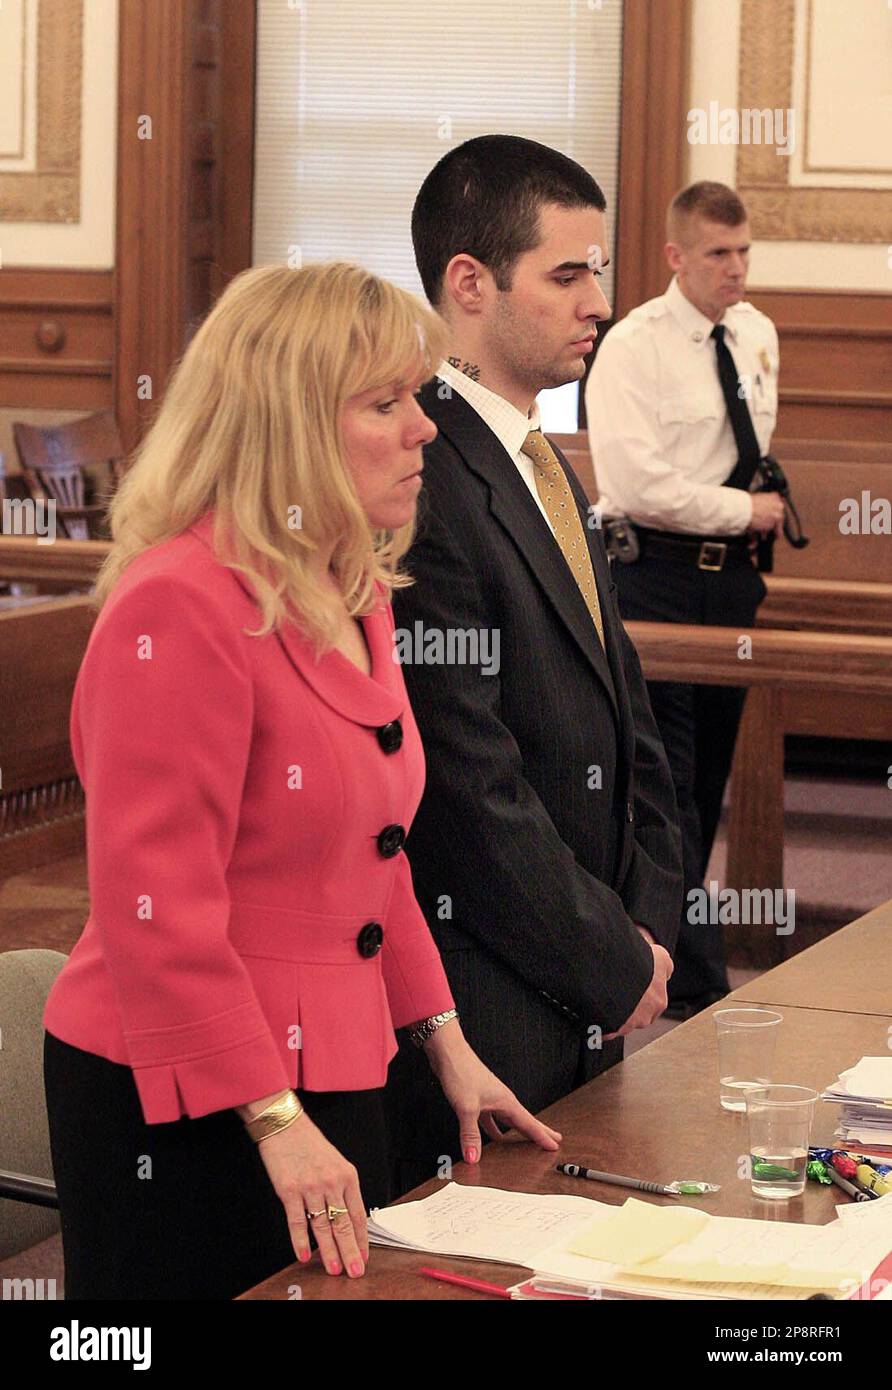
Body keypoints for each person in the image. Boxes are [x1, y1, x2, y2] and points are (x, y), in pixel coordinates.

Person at [41, 262, 561, 1301]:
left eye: (418, 396)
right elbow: (157, 919)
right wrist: (274, 1119)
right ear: (287, 426)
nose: (425, 428)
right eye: (385, 403)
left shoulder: (350, 582)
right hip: (186, 1091)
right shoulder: (178, 606)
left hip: (338, 1063)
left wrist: (445, 1044)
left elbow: (376, 855)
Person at [384, 135, 683, 1196]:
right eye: (567, 273)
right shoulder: (421, 468)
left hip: (584, 972)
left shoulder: (537, 451)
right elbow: (468, 782)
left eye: (597, 270)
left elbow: (626, 715)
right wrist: (609, 957)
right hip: (491, 983)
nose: (597, 300)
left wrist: (650, 923)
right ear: (470, 283)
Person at [585, 181, 785, 1019]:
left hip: (732, 578)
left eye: (743, 252)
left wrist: (745, 520)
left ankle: (676, 956)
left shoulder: (756, 333)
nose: (735, 269)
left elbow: (742, 450)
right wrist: (745, 509)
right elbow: (637, 483)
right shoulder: (634, 344)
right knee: (664, 783)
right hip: (654, 573)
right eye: (717, 254)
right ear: (677, 256)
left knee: (709, 775)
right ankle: (687, 971)